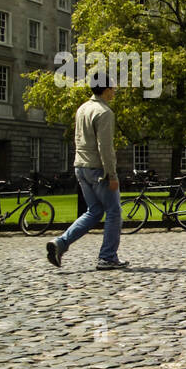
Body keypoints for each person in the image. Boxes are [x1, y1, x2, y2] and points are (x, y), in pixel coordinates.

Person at [46, 71, 128, 270]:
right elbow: (105, 147)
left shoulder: (82, 108)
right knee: (114, 211)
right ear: (107, 89)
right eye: (113, 88)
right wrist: (112, 174)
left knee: (94, 211)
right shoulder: (104, 112)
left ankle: (61, 243)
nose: (115, 91)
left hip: (80, 167)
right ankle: (107, 257)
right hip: (98, 169)